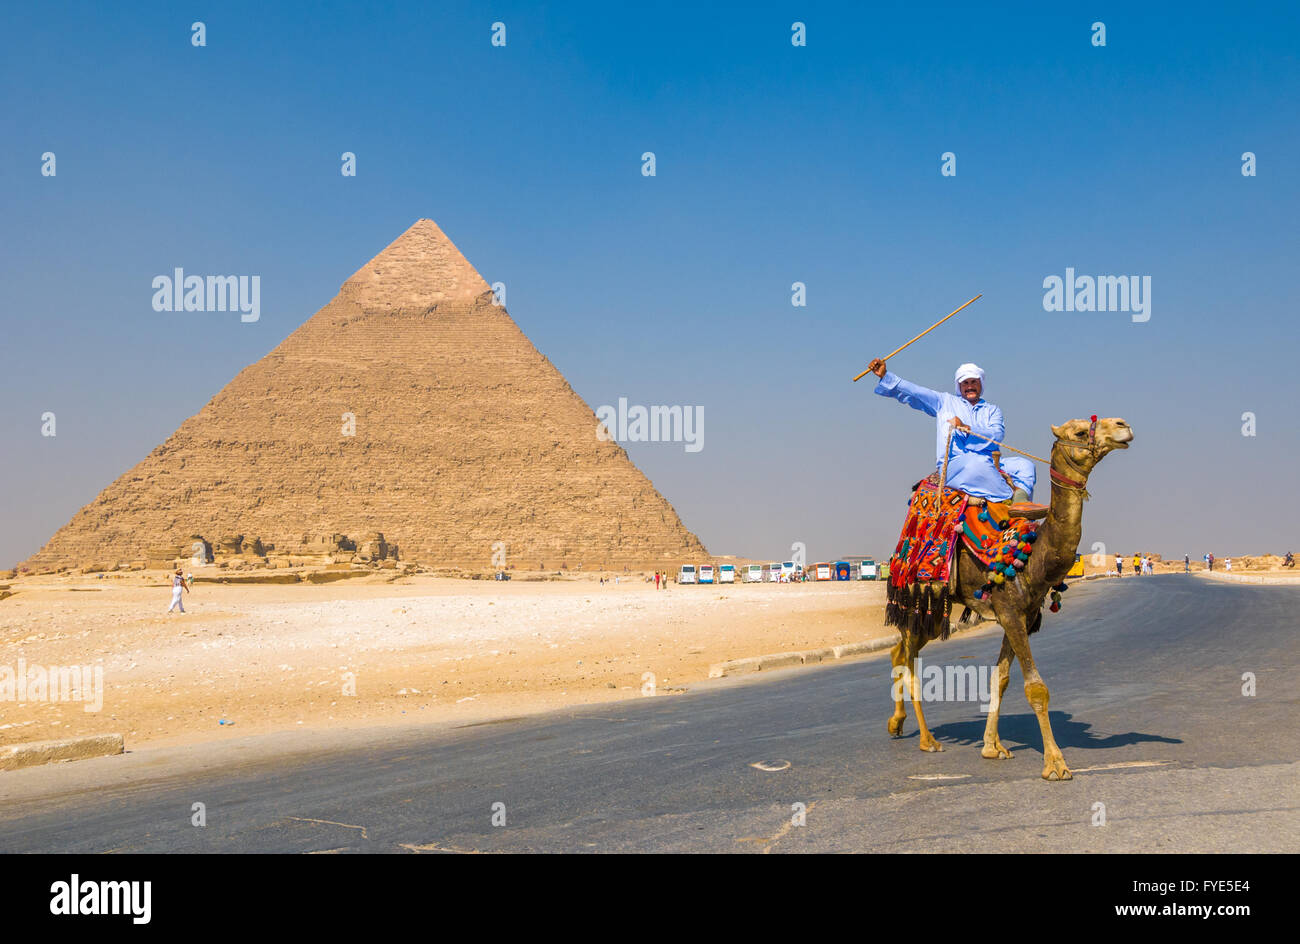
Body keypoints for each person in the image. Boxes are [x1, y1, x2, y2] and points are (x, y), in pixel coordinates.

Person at [865, 359, 1017, 501]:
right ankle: (1010, 500)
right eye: (965, 383)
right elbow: (915, 392)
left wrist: (968, 428)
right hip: (956, 464)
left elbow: (997, 434)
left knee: (1024, 466)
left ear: (980, 384)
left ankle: (1023, 505)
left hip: (988, 461)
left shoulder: (992, 410)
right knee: (978, 463)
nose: (970, 386)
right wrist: (886, 375)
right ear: (959, 386)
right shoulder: (945, 402)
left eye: (973, 382)